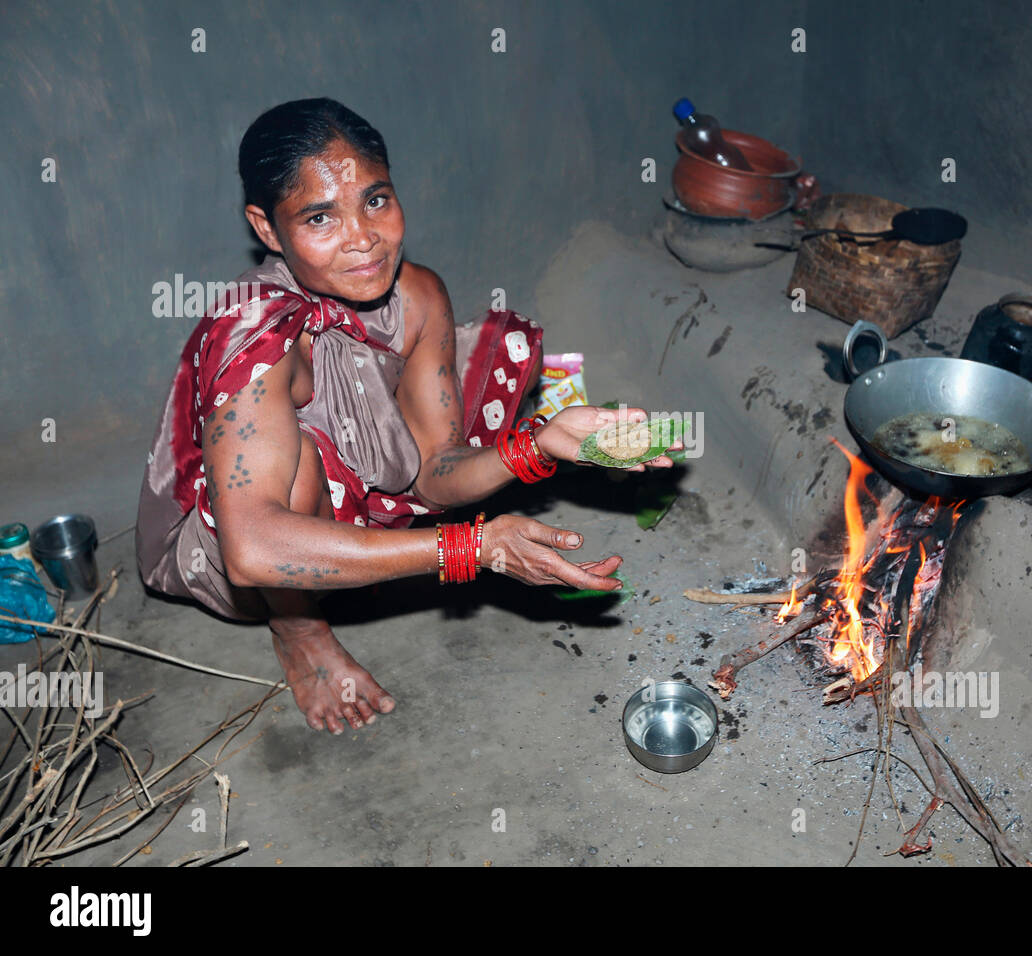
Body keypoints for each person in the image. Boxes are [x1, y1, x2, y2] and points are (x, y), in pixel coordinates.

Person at [136, 98, 675, 735]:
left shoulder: (417, 294)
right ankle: (300, 633)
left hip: (343, 501)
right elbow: (251, 550)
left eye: (375, 200)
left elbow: (432, 471)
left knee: (500, 364)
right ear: (267, 228)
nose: (362, 238)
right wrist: (472, 549)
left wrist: (540, 445)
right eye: (319, 217)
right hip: (231, 549)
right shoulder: (254, 336)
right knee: (300, 462)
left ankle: (361, 549)